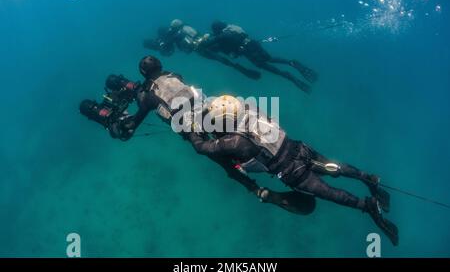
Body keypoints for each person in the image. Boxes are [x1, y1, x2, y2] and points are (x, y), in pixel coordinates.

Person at [79, 56, 316, 216]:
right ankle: (284, 163)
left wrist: (120, 122)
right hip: (208, 111)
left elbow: (134, 124)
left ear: (141, 73)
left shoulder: (147, 95)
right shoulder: (174, 74)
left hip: (190, 128)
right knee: (242, 139)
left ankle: (257, 190)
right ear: (159, 66)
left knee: (222, 159)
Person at [186, 95, 399, 246]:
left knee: (328, 192)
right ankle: (368, 179)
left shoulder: (234, 142)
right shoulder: (248, 107)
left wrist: (193, 128)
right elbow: (222, 104)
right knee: (335, 168)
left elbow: (201, 148)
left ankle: (368, 206)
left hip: (289, 170)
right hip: (298, 147)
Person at [198, 21, 318, 94]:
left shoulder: (223, 35)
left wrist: (203, 40)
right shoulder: (231, 29)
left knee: (263, 65)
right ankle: (290, 62)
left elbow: (208, 44)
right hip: (254, 44)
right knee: (269, 58)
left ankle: (287, 76)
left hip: (249, 52)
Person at [144, 19, 262, 80]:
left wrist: (159, 44)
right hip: (205, 41)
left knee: (219, 59)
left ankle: (241, 68)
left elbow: (168, 51)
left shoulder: (176, 34)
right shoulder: (186, 27)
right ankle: (240, 56)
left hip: (199, 48)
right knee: (220, 54)